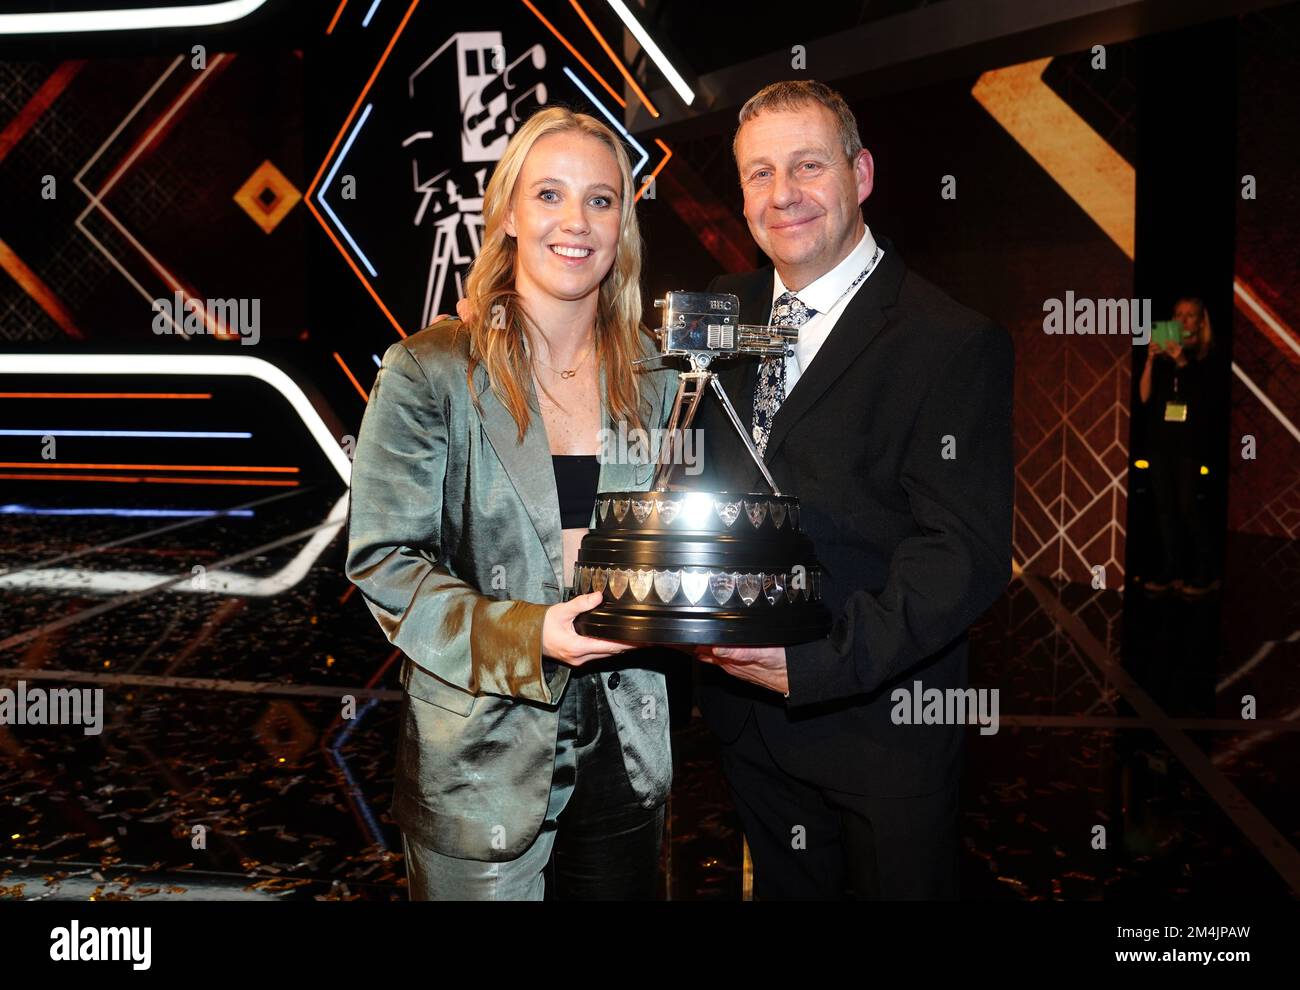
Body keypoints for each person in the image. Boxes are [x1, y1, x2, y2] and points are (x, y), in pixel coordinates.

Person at [691, 80, 1014, 899]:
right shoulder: (718, 311)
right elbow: (679, 470)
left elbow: (963, 555)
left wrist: (819, 664)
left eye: (808, 165)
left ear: (861, 173)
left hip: (880, 730)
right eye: (759, 173)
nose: (783, 194)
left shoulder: (949, 340)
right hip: (743, 723)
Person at [345, 106, 676, 900]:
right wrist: (535, 636)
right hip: (478, 759)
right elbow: (386, 564)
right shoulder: (429, 370)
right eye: (549, 195)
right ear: (507, 216)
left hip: (628, 751)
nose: (576, 221)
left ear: (624, 222)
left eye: (601, 199)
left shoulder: (658, 380)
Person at [1138, 297, 1218, 596]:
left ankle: (1205, 571)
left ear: (1201, 321)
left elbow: (1205, 401)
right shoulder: (1161, 358)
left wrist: (1182, 361)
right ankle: (1171, 568)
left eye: (1190, 315)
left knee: (1188, 507)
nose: (1183, 321)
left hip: (1189, 443)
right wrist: (1149, 359)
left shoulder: (1205, 356)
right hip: (1161, 441)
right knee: (1165, 509)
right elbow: (1144, 397)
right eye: (1179, 315)